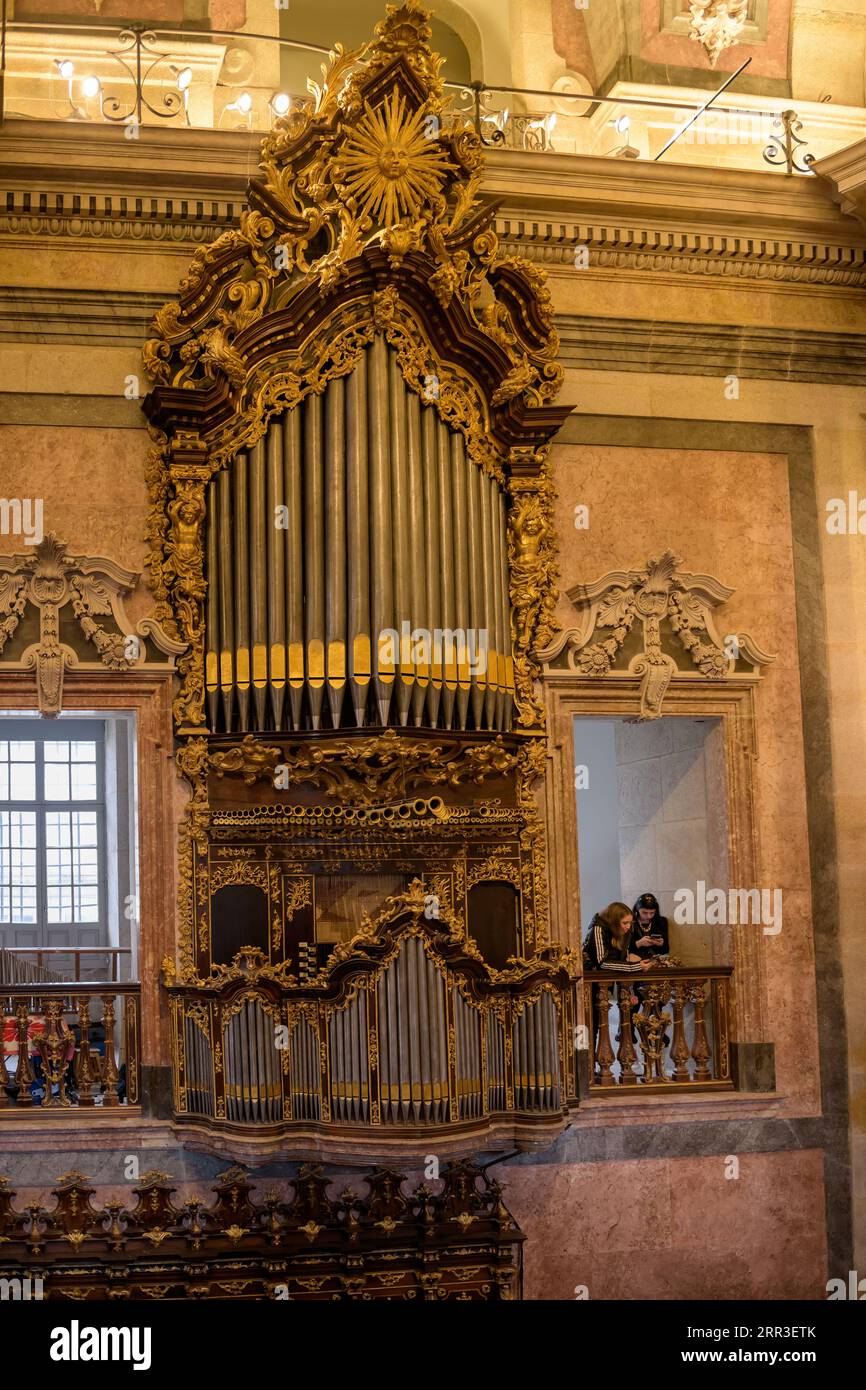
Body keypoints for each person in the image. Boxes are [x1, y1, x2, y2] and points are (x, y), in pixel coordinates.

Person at [582, 902, 653, 972]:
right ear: (614, 922)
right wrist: (636, 966)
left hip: (614, 975)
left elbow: (623, 957)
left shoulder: (625, 929)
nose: (628, 926)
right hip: (595, 975)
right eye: (625, 923)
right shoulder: (598, 929)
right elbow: (601, 963)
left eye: (630, 923)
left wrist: (639, 964)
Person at [630, 892, 670, 959]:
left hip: (656, 959)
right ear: (637, 909)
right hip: (636, 960)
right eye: (644, 912)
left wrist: (661, 944)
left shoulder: (661, 921)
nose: (648, 916)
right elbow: (623, 949)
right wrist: (639, 943)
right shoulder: (630, 922)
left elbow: (666, 950)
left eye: (652, 913)